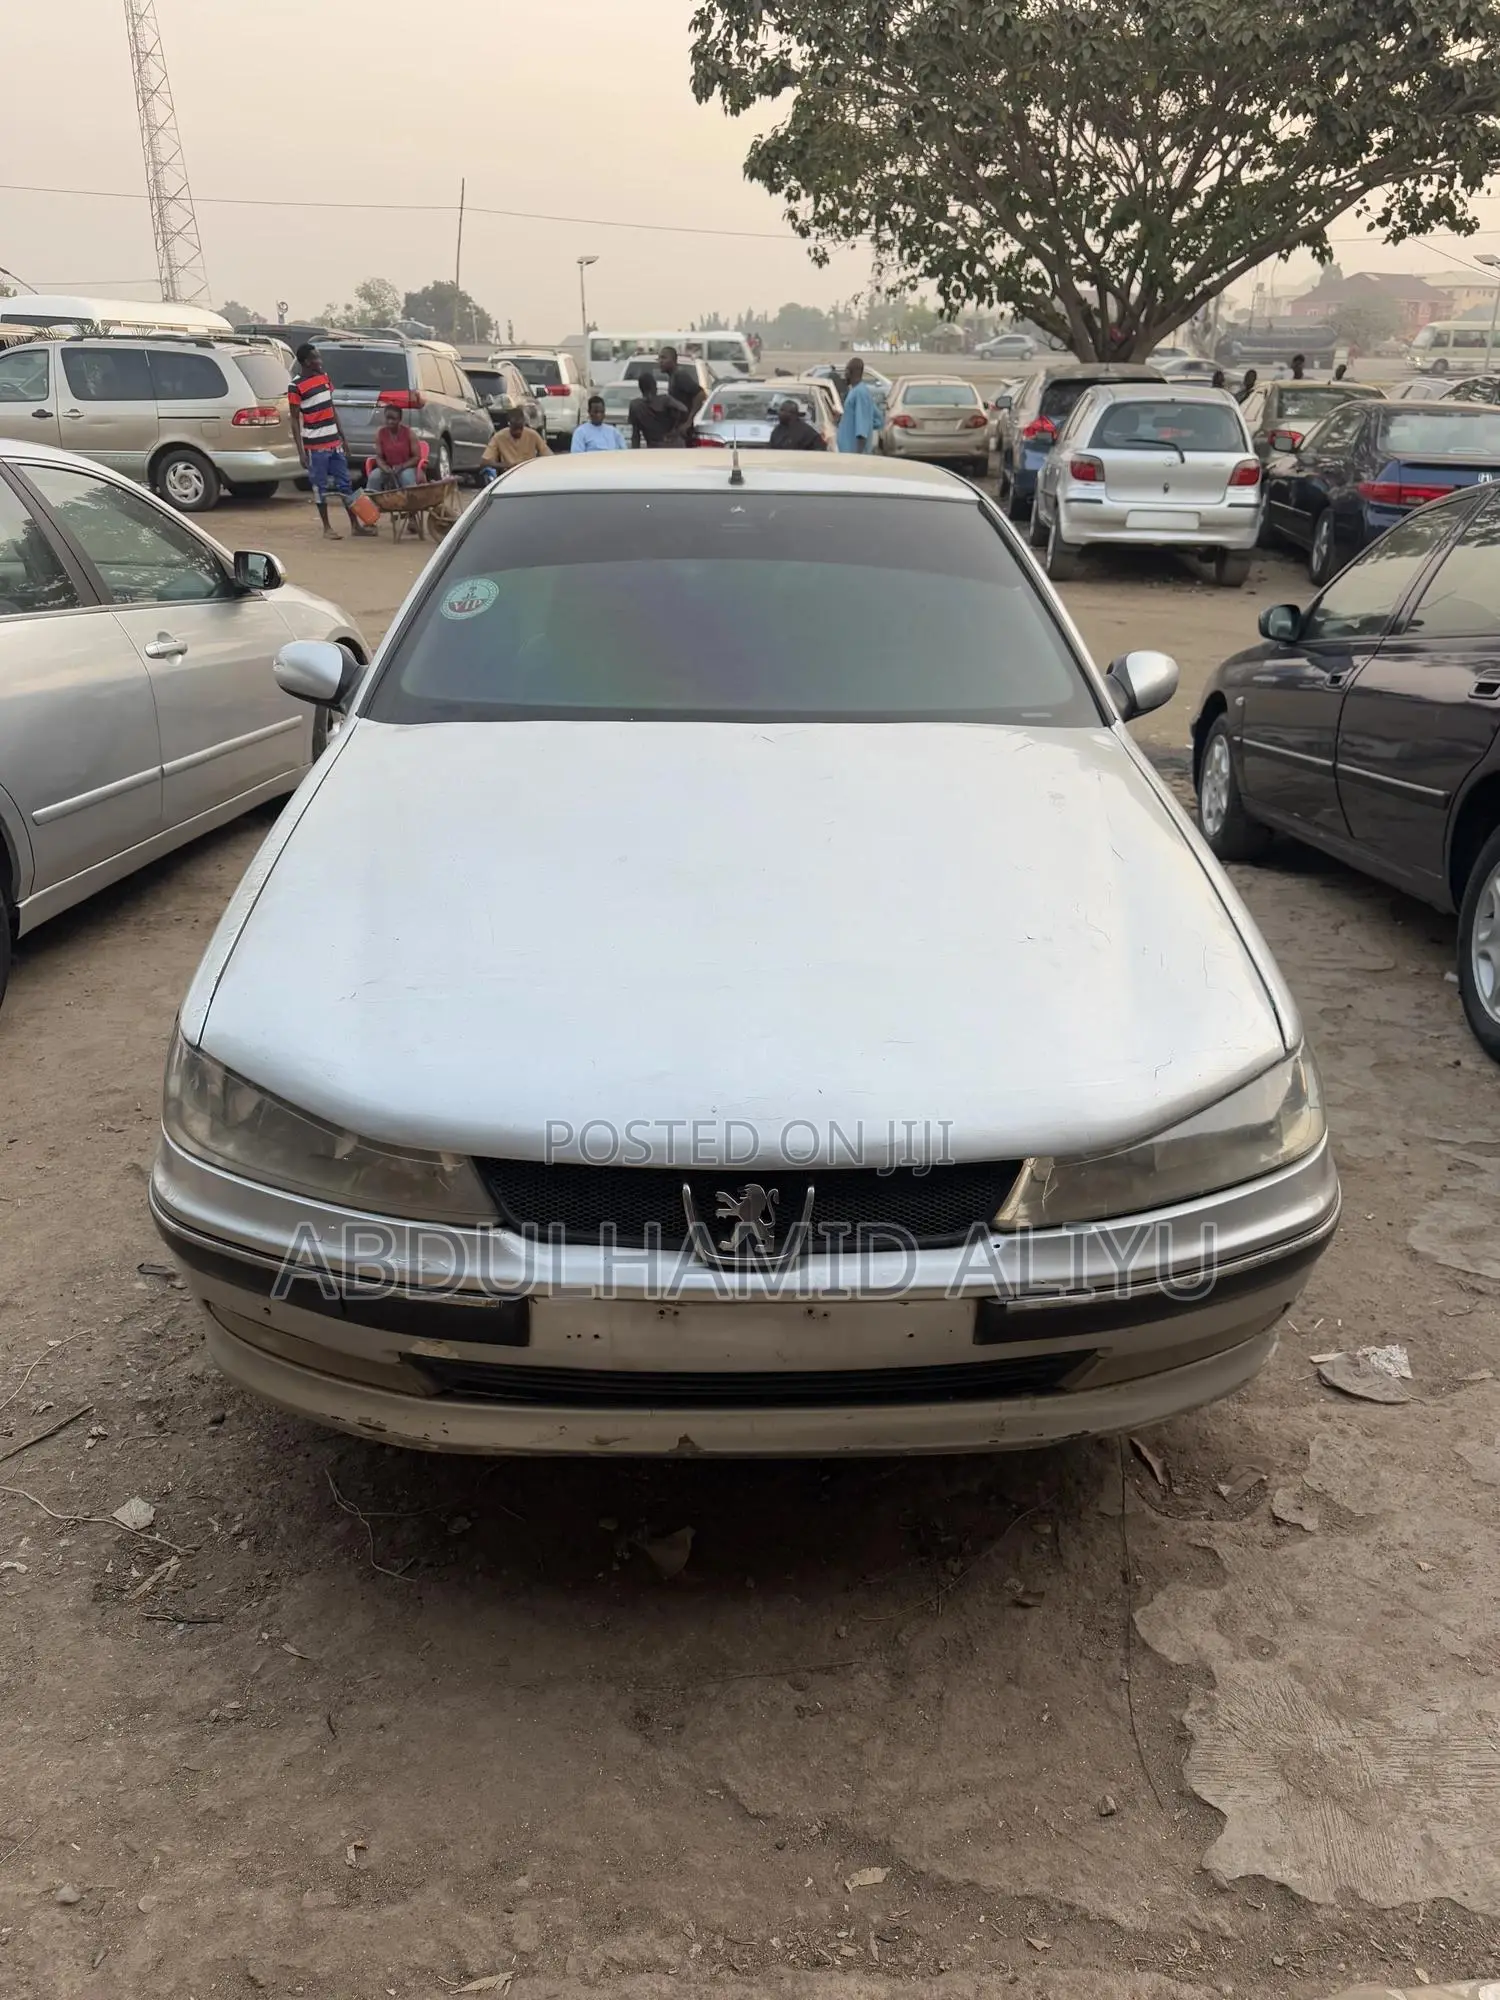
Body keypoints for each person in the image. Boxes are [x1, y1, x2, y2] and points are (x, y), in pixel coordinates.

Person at [288, 343, 375, 538]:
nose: (320, 361)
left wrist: (342, 436)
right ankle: (327, 527)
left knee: (345, 484)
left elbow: (331, 407)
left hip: (334, 443)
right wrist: (301, 452)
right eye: (316, 358)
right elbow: (294, 419)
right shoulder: (295, 386)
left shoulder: (324, 377)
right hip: (315, 446)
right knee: (320, 487)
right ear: (306, 362)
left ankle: (355, 525)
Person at [482, 404, 551, 479]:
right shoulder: (499, 437)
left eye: (520, 428)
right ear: (509, 424)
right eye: (515, 428)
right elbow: (485, 461)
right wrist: (505, 465)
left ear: (523, 424)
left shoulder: (532, 435)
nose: (518, 432)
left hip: (530, 474)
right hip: (508, 475)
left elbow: (548, 456)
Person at [365, 403, 420, 493]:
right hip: (388, 468)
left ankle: (410, 500)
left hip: (406, 467)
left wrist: (401, 466)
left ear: (400, 419)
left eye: (393, 419)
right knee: (374, 477)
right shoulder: (380, 433)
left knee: (406, 477)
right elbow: (379, 457)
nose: (390, 422)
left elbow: (416, 457)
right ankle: (372, 500)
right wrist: (384, 467)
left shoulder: (409, 433)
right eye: (387, 418)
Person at [628, 371, 688, 449]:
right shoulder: (665, 400)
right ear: (655, 386)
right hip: (674, 445)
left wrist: (634, 452)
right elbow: (684, 409)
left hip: (654, 447)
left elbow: (635, 435)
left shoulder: (635, 406)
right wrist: (676, 428)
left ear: (640, 388)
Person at [836, 355, 880, 454]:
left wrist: (858, 456)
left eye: (845, 372)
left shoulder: (859, 393)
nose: (844, 376)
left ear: (849, 372)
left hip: (853, 454)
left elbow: (861, 432)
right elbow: (878, 420)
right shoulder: (858, 391)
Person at [658, 345, 706, 428]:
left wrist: (689, 421)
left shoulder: (680, 375)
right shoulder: (672, 376)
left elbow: (701, 394)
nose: (660, 361)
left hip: (684, 427)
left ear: (673, 360)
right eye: (659, 358)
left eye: (664, 358)